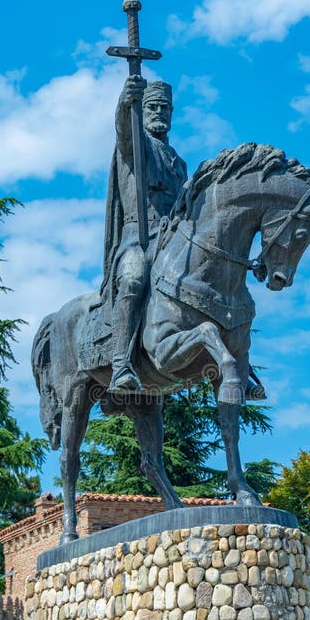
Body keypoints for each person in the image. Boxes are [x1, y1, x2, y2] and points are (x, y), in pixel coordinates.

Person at [102, 75, 187, 393]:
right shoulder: (133, 145)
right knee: (134, 277)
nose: (160, 112)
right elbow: (124, 129)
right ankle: (120, 364)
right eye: (152, 106)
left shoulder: (179, 162)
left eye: (166, 108)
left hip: (171, 237)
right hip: (137, 234)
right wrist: (126, 102)